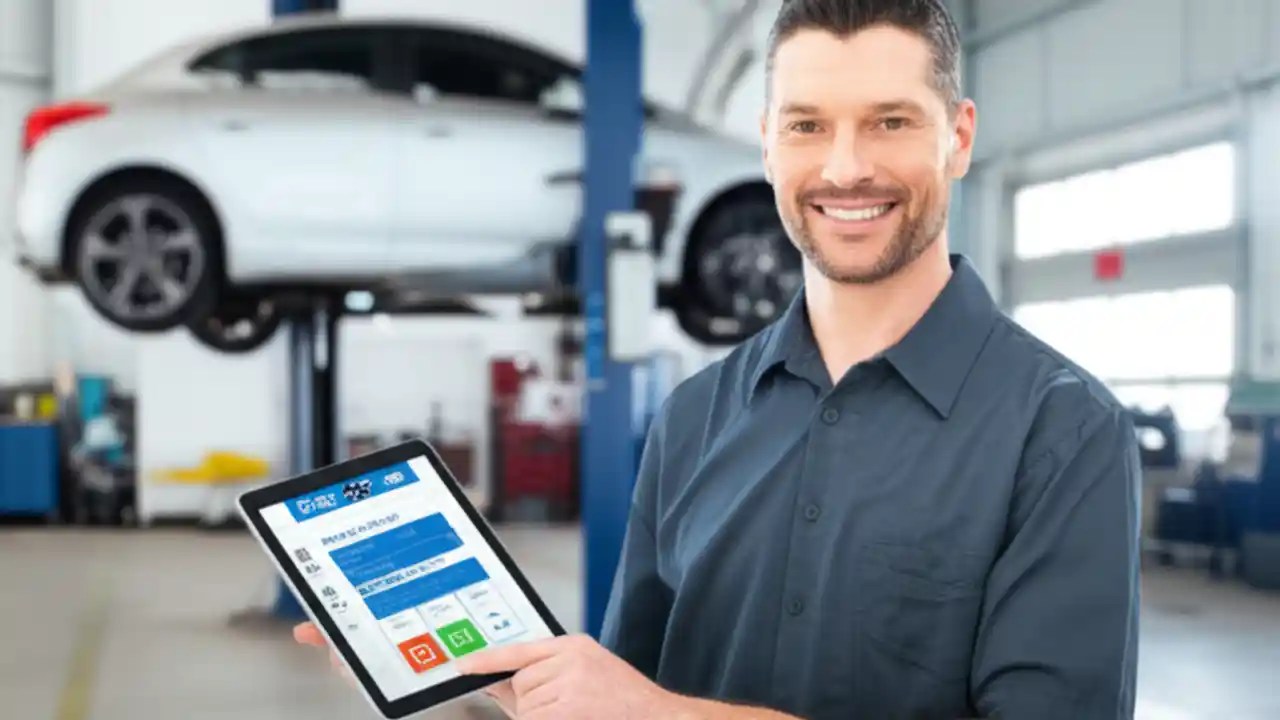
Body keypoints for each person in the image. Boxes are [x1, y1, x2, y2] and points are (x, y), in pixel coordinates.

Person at [296, 0, 1142, 717]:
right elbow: (635, 698)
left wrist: (658, 714)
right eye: (809, 126)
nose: (846, 168)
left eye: (890, 121)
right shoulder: (694, 416)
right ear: (769, 143)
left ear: (956, 138)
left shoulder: (1064, 432)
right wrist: (513, 685)